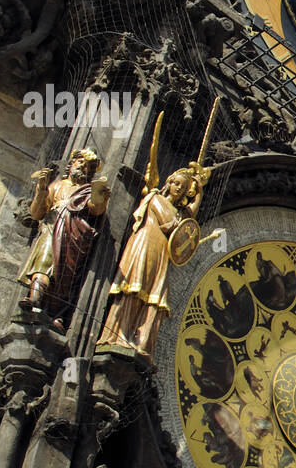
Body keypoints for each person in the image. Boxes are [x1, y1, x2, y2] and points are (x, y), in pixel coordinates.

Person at [97, 113, 206, 360]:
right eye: (176, 183)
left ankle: (140, 340)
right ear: (169, 183)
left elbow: (188, 222)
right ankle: (119, 335)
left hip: (162, 254)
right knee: (135, 288)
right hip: (146, 246)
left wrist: (198, 189)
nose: (178, 188)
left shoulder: (180, 210)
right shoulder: (156, 199)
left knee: (152, 296)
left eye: (182, 187)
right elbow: (174, 226)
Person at [18, 149, 110, 328]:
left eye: (88, 166)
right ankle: (34, 299)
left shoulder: (86, 191)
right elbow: (37, 214)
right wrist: (42, 189)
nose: (83, 167)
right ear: (71, 163)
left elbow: (96, 210)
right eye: (80, 162)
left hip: (74, 237)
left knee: (65, 279)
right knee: (43, 262)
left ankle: (56, 314)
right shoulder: (57, 186)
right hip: (52, 229)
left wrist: (101, 197)